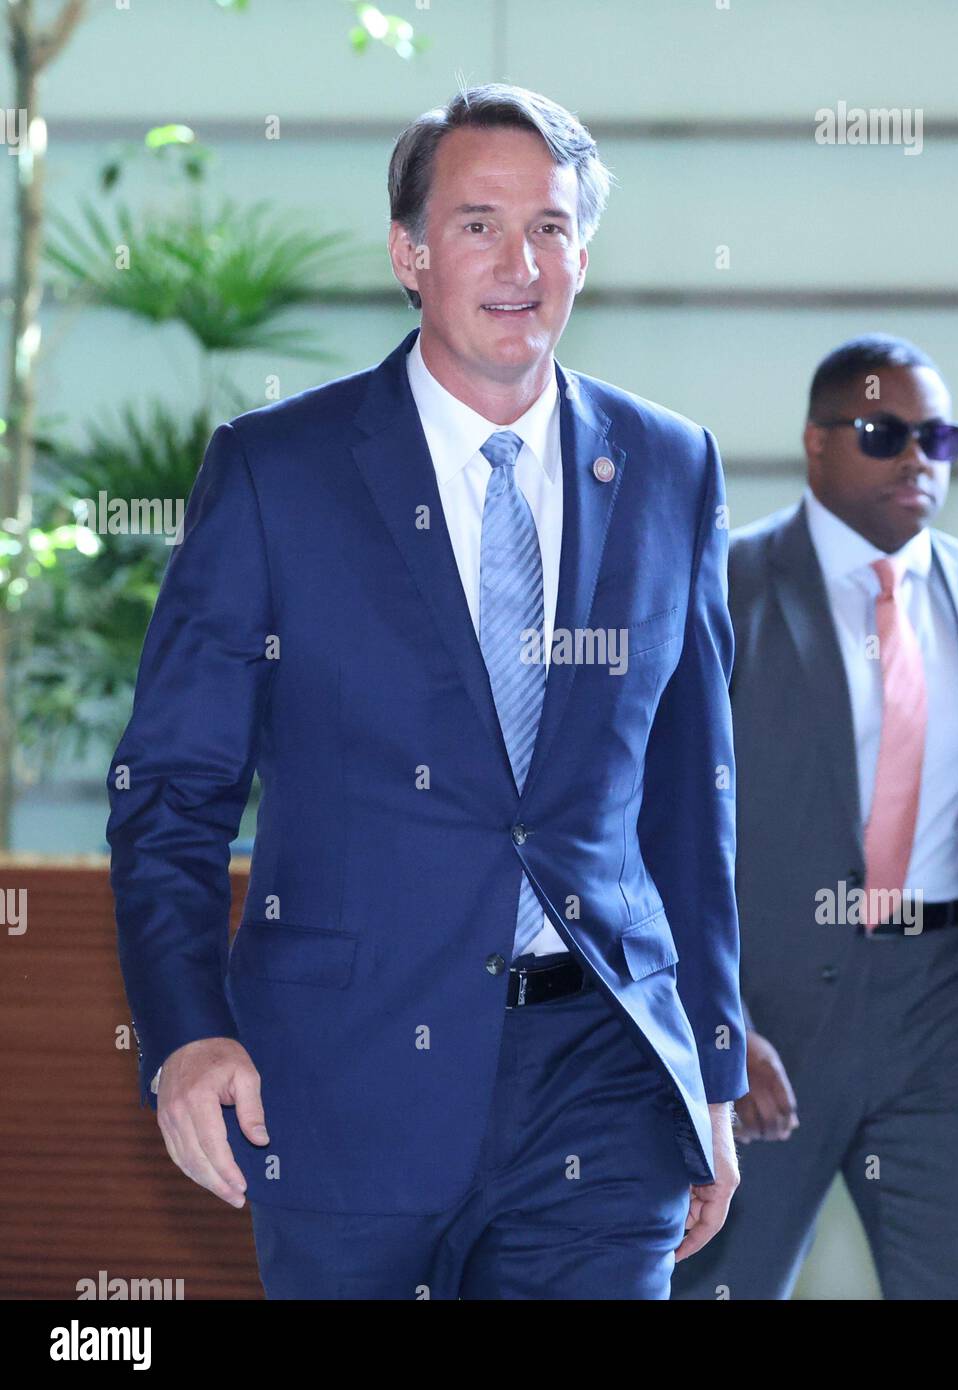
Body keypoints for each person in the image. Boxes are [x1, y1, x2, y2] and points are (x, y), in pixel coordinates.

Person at [106, 83, 746, 1300]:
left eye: (551, 228)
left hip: (602, 1081)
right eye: (477, 225)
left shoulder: (671, 467)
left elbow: (690, 796)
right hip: (346, 1080)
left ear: (582, 253)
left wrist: (709, 1061)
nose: (521, 262)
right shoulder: (276, 474)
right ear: (407, 253)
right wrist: (186, 1032)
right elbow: (172, 791)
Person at [671, 333, 958, 1300]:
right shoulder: (720, 587)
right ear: (816, 443)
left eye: (937, 437)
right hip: (766, 1027)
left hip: (954, 1020)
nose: (917, 458)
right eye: (883, 432)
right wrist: (720, 1027)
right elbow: (657, 826)